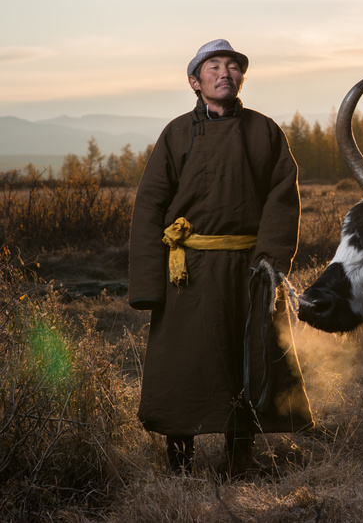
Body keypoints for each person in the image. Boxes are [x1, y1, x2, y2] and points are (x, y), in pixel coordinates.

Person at [128, 39, 312, 478]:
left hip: (246, 271)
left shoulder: (264, 132)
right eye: (213, 66)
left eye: (232, 66)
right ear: (195, 81)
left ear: (240, 78)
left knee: (243, 361)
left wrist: (269, 262)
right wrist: (148, 286)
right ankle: (180, 462)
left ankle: (239, 460)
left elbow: (282, 199)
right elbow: (150, 206)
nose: (224, 73)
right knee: (183, 365)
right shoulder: (175, 134)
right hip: (185, 274)